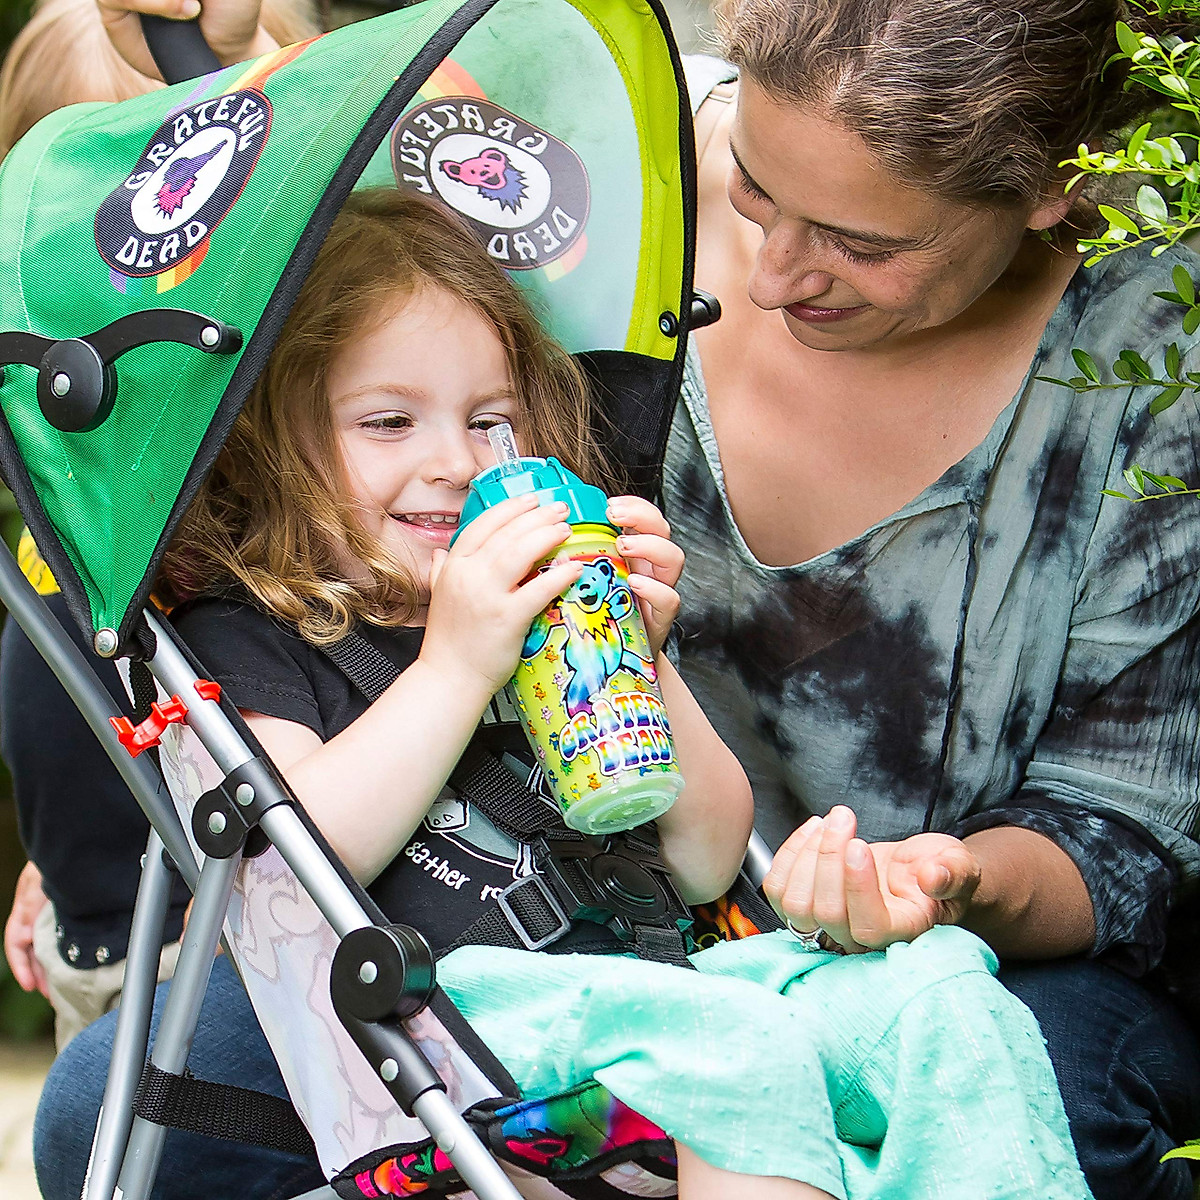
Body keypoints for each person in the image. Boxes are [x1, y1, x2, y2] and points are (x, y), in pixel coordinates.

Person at [35, 185, 1091, 1200]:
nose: (453, 460)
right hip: (464, 1037)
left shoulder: (557, 612)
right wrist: (455, 667)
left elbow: (709, 858)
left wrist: (643, 659)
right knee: (736, 1050)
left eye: (488, 420)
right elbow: (298, 860)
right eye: (389, 422)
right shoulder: (258, 634)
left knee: (939, 990)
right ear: (272, 446)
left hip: (670, 994)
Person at [663, 2, 1200, 1198]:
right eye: (752, 188)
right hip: (591, 876)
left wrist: (943, 887)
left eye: (859, 242)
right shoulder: (623, 174)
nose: (771, 278)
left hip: (1000, 963)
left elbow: (1118, 832)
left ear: (1055, 187)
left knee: (1021, 1104)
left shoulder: (1157, 362)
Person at [0, 0, 320, 1048]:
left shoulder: (231, 461)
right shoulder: (65, 464)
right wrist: (46, 865)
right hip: (86, 934)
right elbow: (70, 696)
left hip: (202, 933)